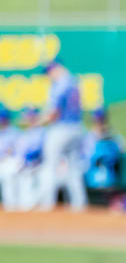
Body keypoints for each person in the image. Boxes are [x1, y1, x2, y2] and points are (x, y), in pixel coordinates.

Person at [39, 61, 86, 211]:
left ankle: (47, 204)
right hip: (77, 127)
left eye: (49, 72)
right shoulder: (73, 82)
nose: (49, 76)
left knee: (49, 166)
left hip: (61, 129)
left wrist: (37, 122)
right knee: (73, 168)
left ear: (55, 69)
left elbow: (54, 112)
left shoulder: (59, 84)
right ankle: (79, 205)